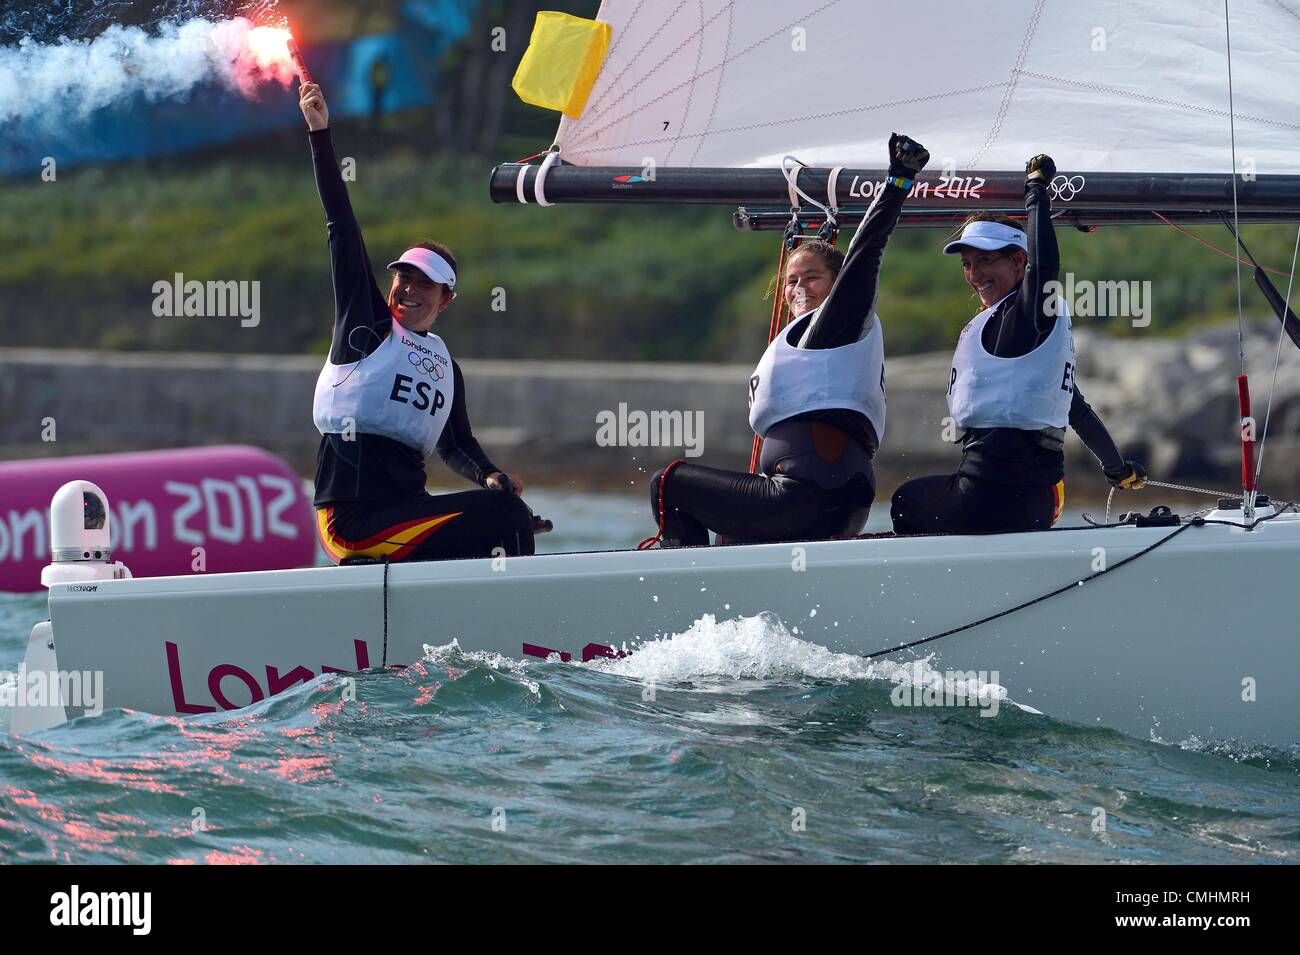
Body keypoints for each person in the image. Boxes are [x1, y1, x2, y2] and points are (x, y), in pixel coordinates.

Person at [645, 134, 930, 546]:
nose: (798, 287)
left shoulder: (840, 326)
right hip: (825, 501)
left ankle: (686, 583)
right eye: (791, 280)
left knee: (668, 484)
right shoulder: (809, 338)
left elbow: (865, 256)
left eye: (812, 278)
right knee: (730, 535)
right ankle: (717, 578)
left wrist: (897, 181)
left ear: (836, 285)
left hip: (805, 497)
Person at [299, 80, 535, 563]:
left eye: (422, 284)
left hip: (406, 513)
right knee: (504, 519)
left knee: (506, 509)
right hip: (352, 522)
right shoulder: (365, 329)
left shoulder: (444, 365)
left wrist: (491, 476)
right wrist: (321, 135)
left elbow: (457, 445)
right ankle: (532, 628)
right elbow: (341, 228)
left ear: (445, 299)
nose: (407, 289)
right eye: (402, 278)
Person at [890, 154, 1146, 536]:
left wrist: (1036, 192)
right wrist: (1116, 468)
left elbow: (1045, 271)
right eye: (967, 264)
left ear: (1018, 263)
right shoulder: (1038, 338)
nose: (974, 274)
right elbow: (1078, 411)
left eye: (986, 261)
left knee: (905, 502)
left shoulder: (1025, 319)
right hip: (1036, 506)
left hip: (985, 499)